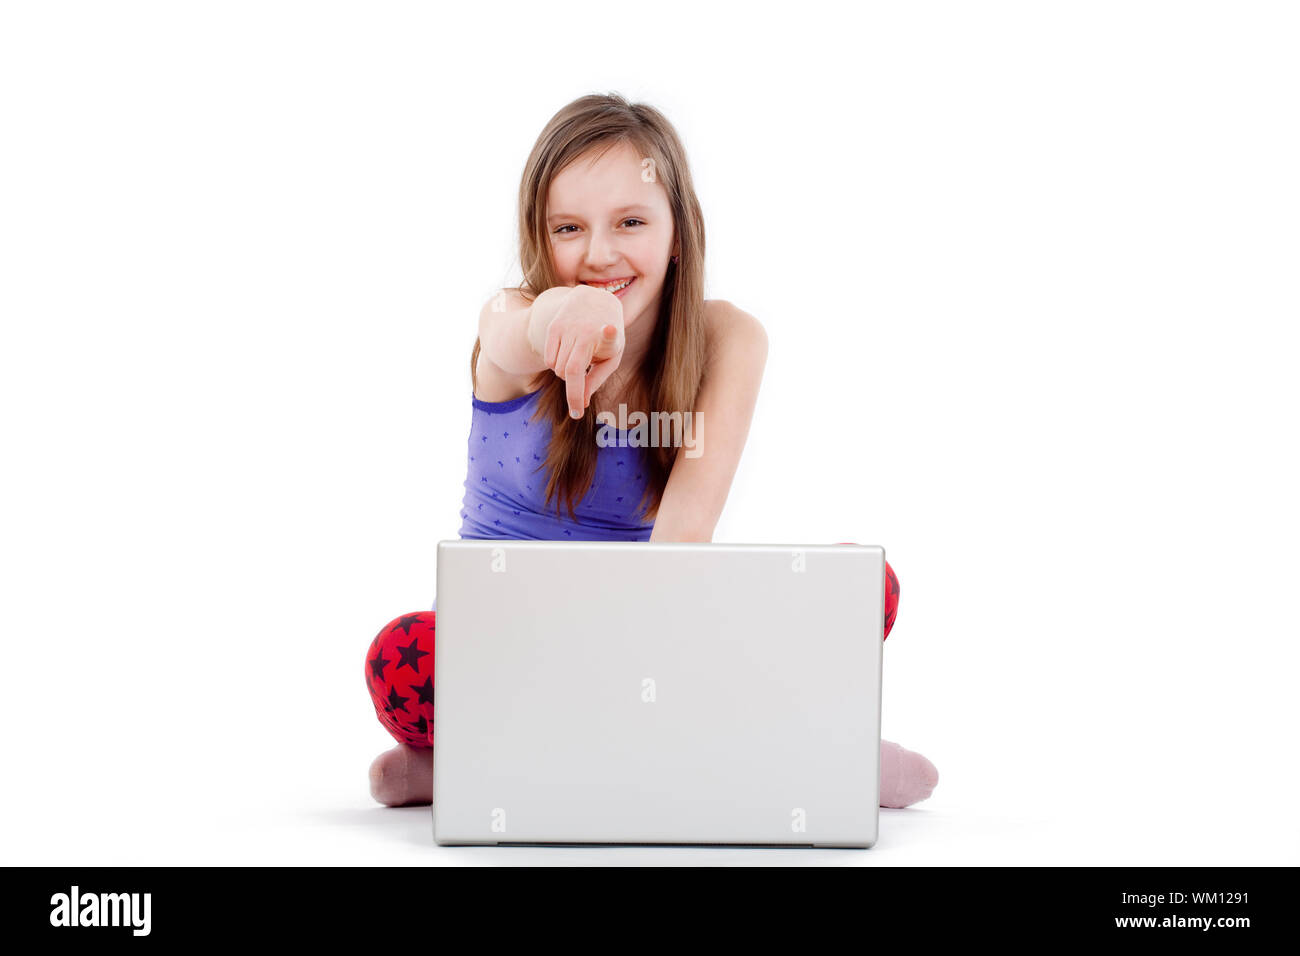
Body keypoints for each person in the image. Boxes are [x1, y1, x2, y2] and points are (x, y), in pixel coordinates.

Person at [365, 93, 938, 810]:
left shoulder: (729, 340)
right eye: (568, 228)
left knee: (857, 586)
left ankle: (500, 764)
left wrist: (660, 669)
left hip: (644, 646)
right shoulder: (509, 320)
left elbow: (680, 548)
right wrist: (563, 317)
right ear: (538, 240)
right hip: (506, 656)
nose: (600, 254)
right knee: (405, 656)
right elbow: (516, 329)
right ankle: (771, 749)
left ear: (677, 233)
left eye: (631, 222)